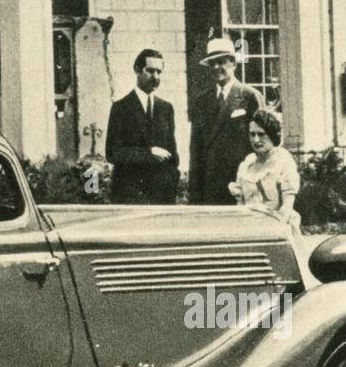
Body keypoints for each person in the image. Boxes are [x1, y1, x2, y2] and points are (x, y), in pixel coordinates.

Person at [188, 35, 264, 204]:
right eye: (212, 64)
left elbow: (262, 144)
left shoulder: (250, 96)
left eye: (221, 62)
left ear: (234, 64)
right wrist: (194, 192)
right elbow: (196, 149)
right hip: (209, 186)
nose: (216, 67)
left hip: (240, 183)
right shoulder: (201, 101)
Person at [105, 48, 179, 204]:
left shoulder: (166, 108)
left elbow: (172, 154)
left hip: (162, 196)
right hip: (130, 194)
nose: (156, 77)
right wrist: (148, 153)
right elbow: (113, 153)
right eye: (150, 71)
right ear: (137, 70)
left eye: (159, 72)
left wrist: (172, 180)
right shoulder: (121, 108)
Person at [230, 110, 299, 226]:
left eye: (261, 134)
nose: (256, 140)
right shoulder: (246, 165)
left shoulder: (283, 162)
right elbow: (240, 206)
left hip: (277, 227)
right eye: (252, 134)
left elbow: (286, 208)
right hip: (248, 227)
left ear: (272, 135)